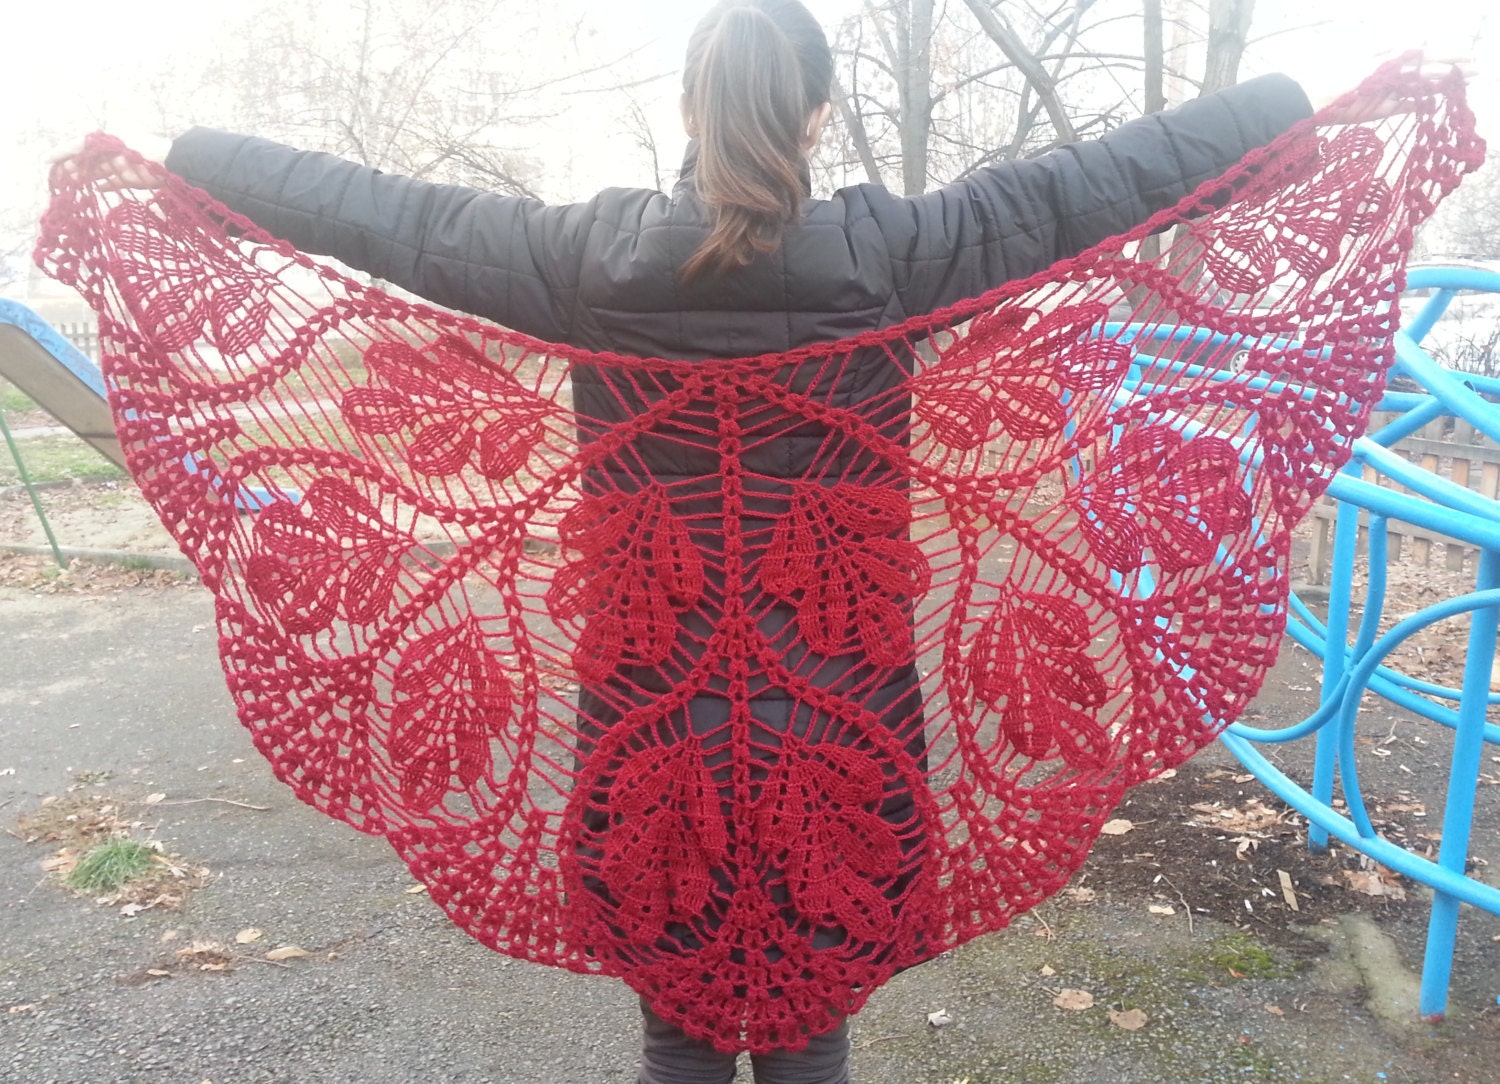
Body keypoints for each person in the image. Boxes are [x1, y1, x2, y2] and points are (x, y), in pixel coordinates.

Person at [66, 4, 1466, 1083]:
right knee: (813, 1036)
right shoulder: (904, 246)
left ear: (688, 108)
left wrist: (193, 163)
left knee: (679, 1036)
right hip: (844, 717)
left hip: (647, 726)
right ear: (816, 115)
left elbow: (386, 215)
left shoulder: (583, 256)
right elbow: (1093, 187)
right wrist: (1290, 107)